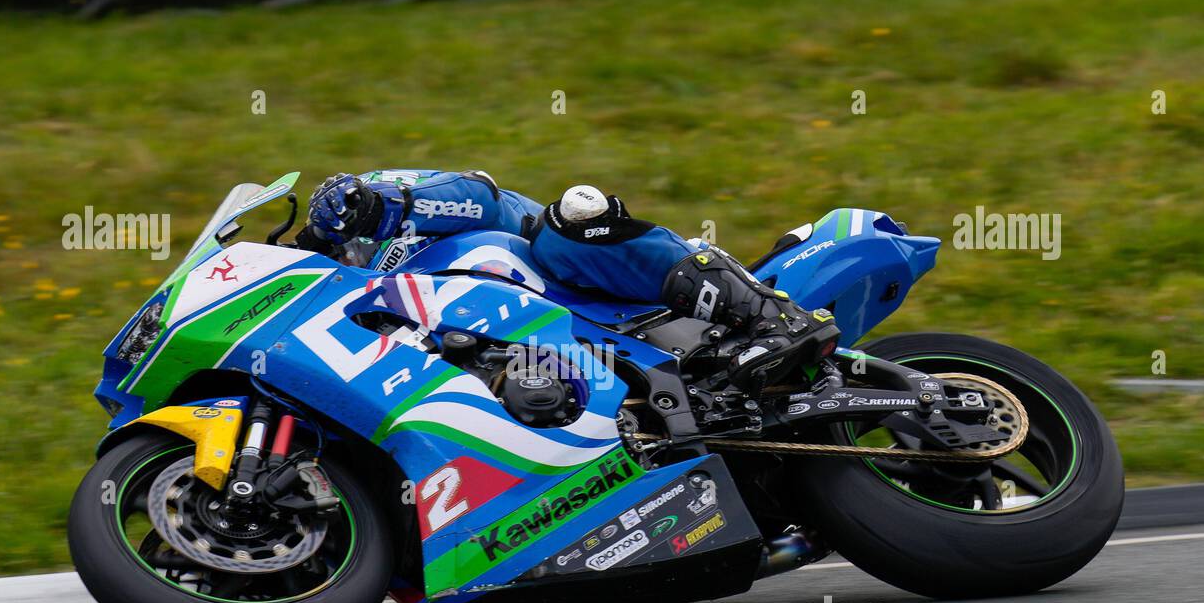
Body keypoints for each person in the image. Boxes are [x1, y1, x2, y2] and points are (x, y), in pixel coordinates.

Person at [296, 169, 839, 386]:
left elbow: (481, 194)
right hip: (561, 366)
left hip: (609, 306)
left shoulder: (401, 214)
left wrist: (387, 202)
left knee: (562, 226)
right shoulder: (362, 313)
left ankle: (774, 317)